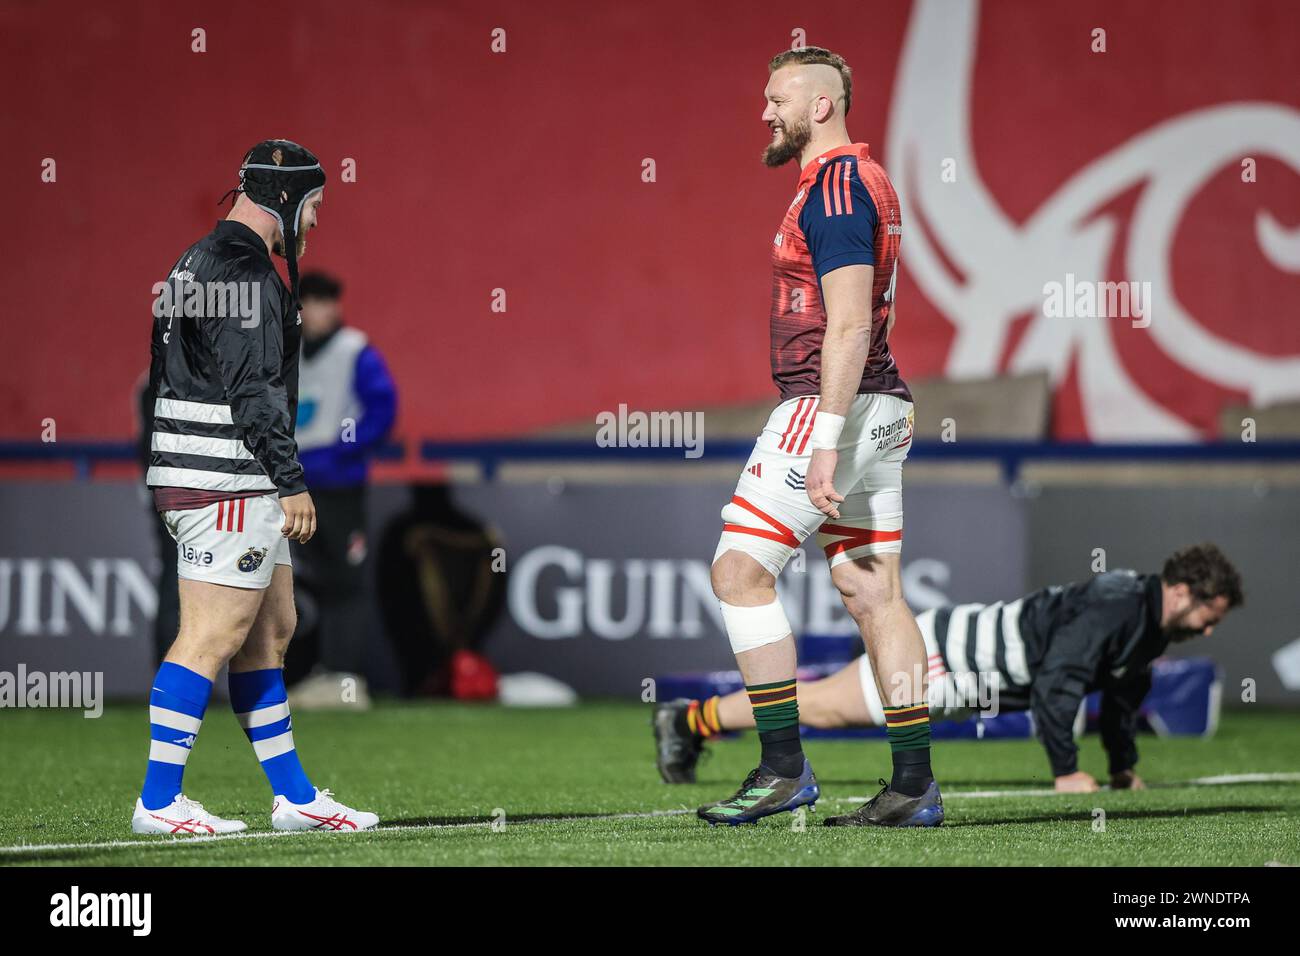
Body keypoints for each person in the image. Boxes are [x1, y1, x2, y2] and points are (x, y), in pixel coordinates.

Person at [699, 47, 936, 827]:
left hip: (831, 406)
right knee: (874, 592)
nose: (765, 113)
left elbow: (852, 321)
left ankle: (781, 769)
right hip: (883, 403)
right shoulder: (862, 181)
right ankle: (912, 787)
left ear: (822, 106)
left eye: (777, 99)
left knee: (739, 571)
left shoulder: (834, 188)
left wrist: (827, 435)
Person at [137, 139, 378, 835]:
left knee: (270, 630)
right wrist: (289, 481)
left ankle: (295, 798)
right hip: (229, 479)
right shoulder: (245, 271)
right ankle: (158, 802)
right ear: (288, 198)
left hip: (211, 473)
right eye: (315, 205)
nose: (316, 221)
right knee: (211, 635)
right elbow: (252, 392)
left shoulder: (197, 259)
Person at [657, 544, 1244, 796]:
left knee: (825, 706)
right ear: (1184, 590)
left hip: (968, 670)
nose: (1210, 630)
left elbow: (1121, 698)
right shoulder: (1120, 604)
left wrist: (1122, 768)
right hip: (948, 655)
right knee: (825, 708)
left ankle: (690, 723)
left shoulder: (1146, 626)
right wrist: (1066, 772)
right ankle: (687, 722)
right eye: (1209, 615)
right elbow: (1059, 682)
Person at [287, 271, 397, 710]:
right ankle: (285, 676)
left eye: (330, 301)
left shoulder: (355, 351)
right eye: (315, 301)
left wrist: (341, 454)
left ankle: (343, 679)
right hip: (288, 484)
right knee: (276, 580)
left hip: (337, 488)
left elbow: (383, 409)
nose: (325, 310)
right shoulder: (284, 348)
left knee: (344, 580)